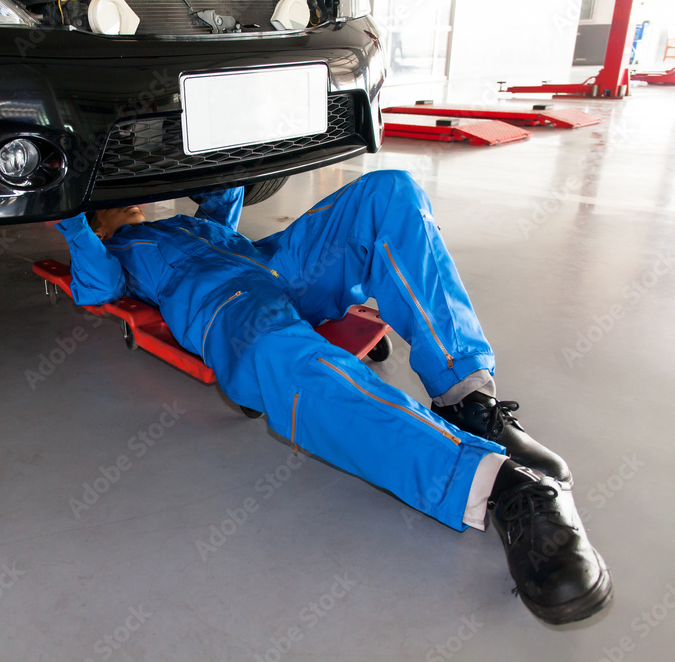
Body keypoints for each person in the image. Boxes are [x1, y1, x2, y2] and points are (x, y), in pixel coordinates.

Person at [56, 170, 612, 625]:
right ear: (99, 220)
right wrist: (75, 218)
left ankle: (468, 400)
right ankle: (504, 488)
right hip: (225, 306)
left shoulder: (177, 222)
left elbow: (224, 201)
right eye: (113, 201)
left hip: (277, 264)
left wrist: (213, 166)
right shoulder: (118, 252)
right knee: (278, 357)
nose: (129, 202)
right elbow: (96, 288)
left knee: (388, 192)